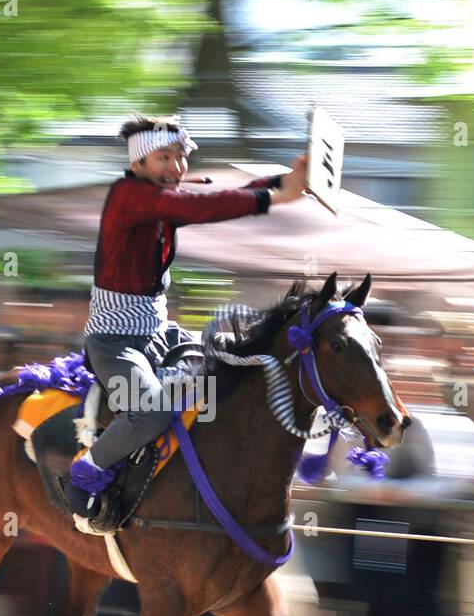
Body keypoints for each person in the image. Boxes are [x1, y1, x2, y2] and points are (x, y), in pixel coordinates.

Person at [62, 115, 309, 523]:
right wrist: (275, 197)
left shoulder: (161, 196)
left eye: (180, 157)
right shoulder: (130, 195)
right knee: (150, 412)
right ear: (138, 163)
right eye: (164, 158)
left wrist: (287, 179)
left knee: (220, 380)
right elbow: (201, 206)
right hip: (115, 340)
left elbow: (222, 196)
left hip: (159, 332)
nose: (176, 168)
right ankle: (86, 471)